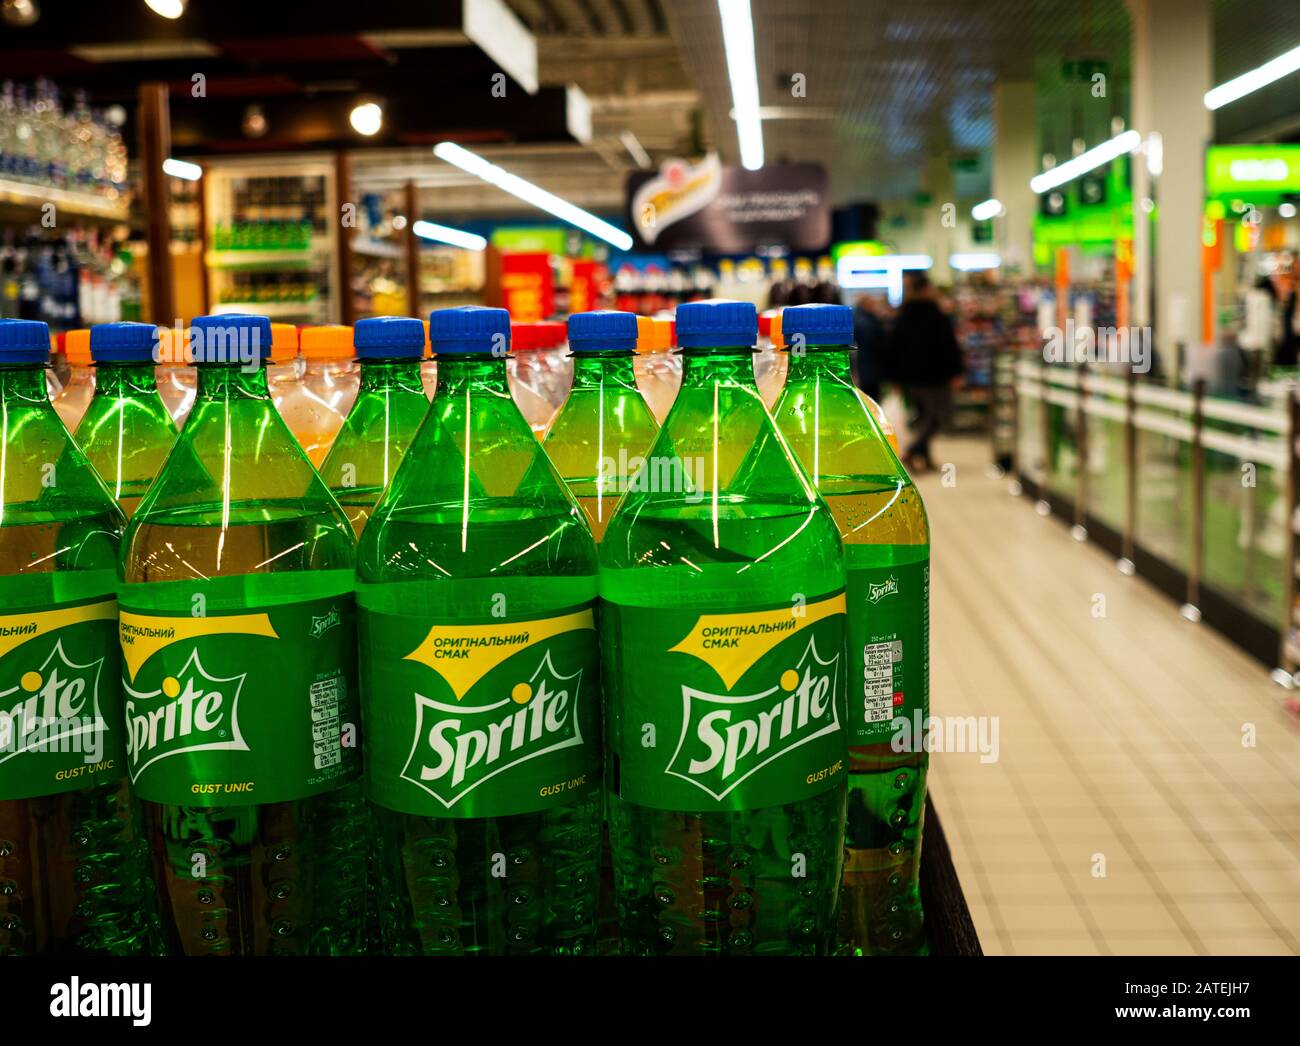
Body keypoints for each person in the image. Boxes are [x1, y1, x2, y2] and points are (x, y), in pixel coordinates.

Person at [885, 270, 964, 473]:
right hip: (934, 376)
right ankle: (912, 451)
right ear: (927, 289)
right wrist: (956, 372)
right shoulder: (937, 315)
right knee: (936, 417)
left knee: (921, 417)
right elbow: (949, 346)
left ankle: (924, 456)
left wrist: (893, 376)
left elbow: (892, 348)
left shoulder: (902, 316)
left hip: (909, 377)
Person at [852, 293, 888, 402]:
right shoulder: (867, 322)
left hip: (865, 365)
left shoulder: (861, 319)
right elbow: (875, 343)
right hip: (870, 365)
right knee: (872, 397)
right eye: (872, 303)